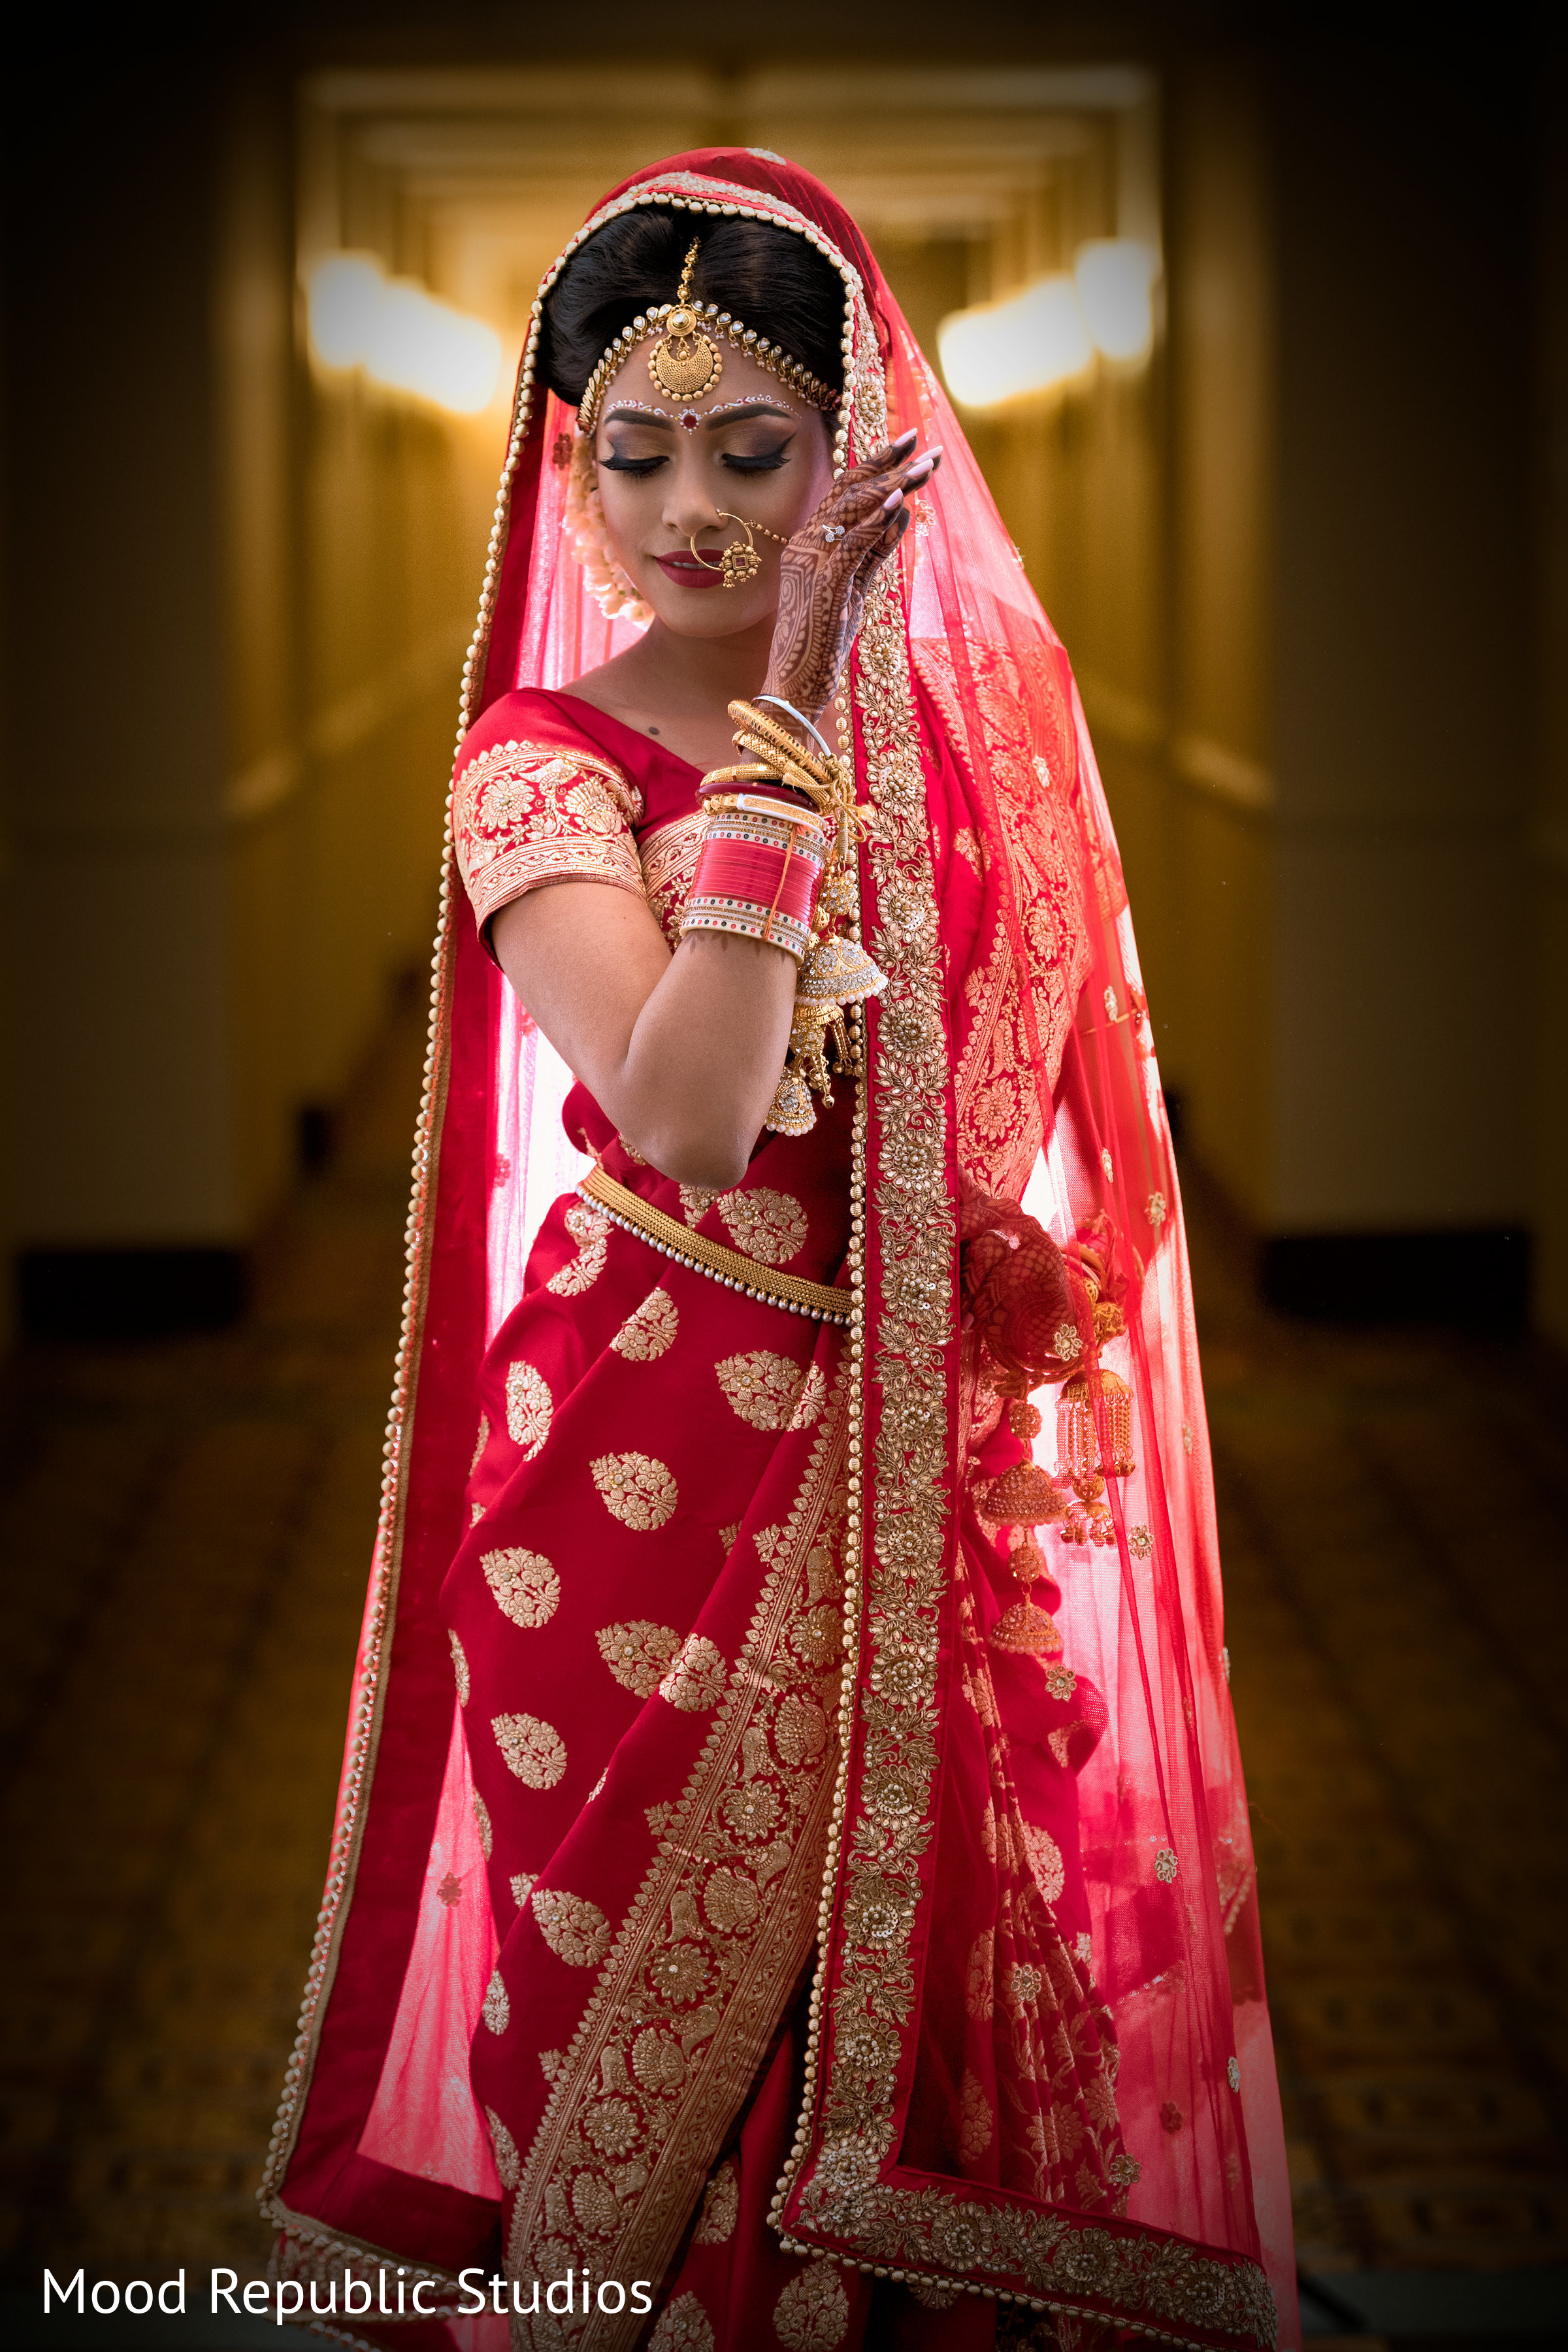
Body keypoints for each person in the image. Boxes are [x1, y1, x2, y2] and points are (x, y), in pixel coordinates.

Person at [261, 150, 1300, 2352]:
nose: (688, 512)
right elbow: (684, 1106)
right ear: (568, 461)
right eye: (633, 456)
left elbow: (1022, 1104)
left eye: (756, 450)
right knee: (631, 2002)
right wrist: (791, 726)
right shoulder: (536, 766)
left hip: (892, 1460)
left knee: (891, 2012)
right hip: (623, 1477)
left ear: (856, 454)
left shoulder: (959, 753)